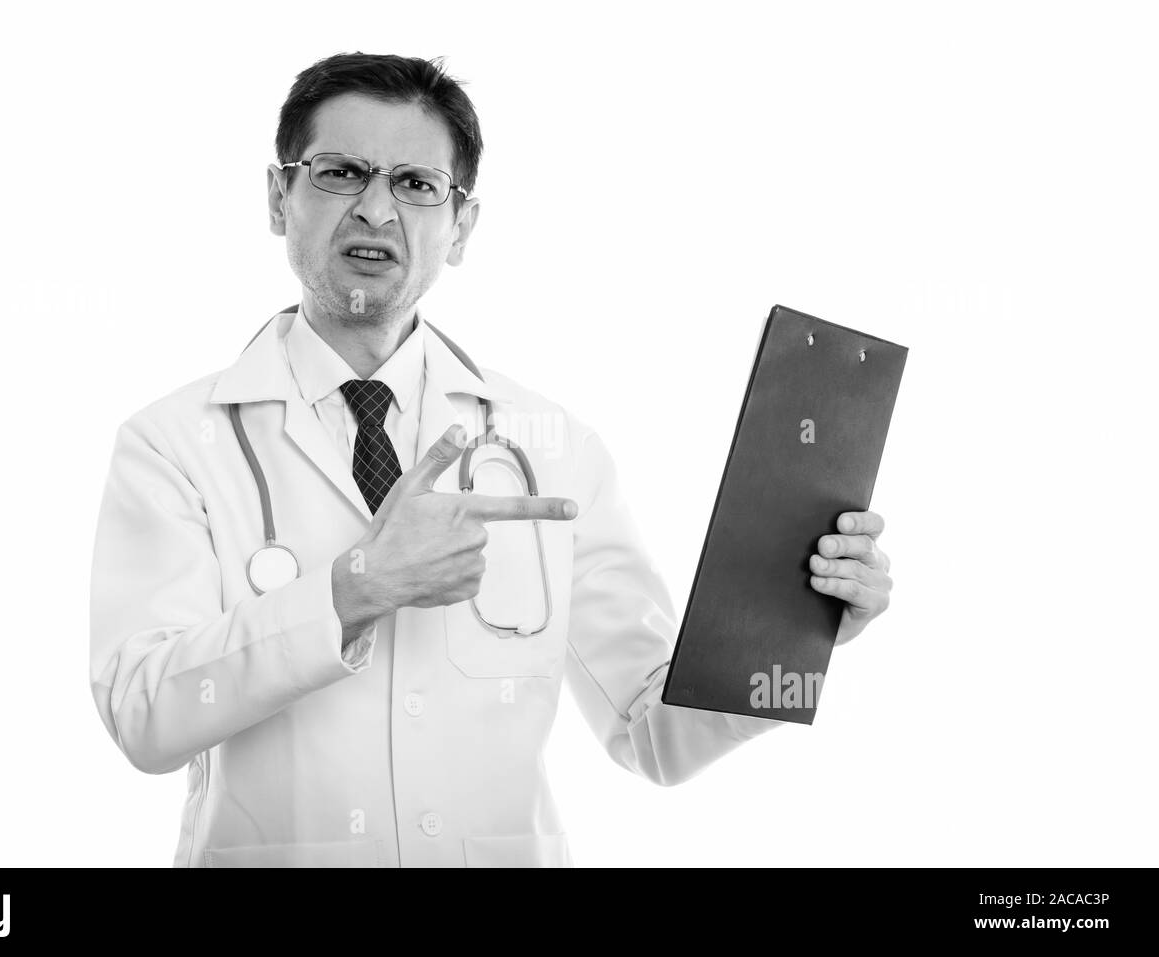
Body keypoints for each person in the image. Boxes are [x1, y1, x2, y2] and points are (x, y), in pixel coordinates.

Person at [88, 52, 894, 868]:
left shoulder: (556, 448)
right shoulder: (172, 443)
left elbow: (654, 732)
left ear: (461, 226)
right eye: (338, 172)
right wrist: (356, 587)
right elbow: (144, 712)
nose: (375, 207)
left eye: (415, 183)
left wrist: (790, 635)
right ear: (277, 197)